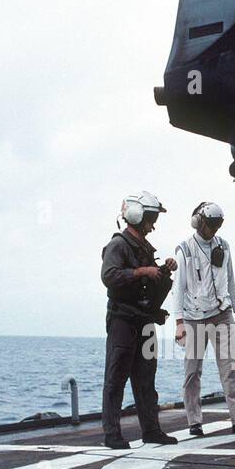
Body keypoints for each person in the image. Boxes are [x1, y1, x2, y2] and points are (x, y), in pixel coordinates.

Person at [174, 202, 235, 437]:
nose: (213, 230)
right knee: (192, 372)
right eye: (210, 225)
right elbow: (178, 288)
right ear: (199, 222)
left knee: (231, 368)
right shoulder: (184, 250)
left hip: (222, 313)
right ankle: (194, 421)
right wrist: (179, 322)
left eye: (217, 225)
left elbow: (230, 279)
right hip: (193, 317)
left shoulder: (224, 245)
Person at [100, 192, 179, 449]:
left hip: (144, 321)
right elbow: (109, 275)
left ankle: (151, 430)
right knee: (116, 378)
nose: (153, 224)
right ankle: (112, 434)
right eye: (151, 218)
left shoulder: (145, 249)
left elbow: (150, 284)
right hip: (123, 320)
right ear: (138, 215)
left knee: (146, 379)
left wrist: (163, 269)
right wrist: (141, 271)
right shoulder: (118, 245)